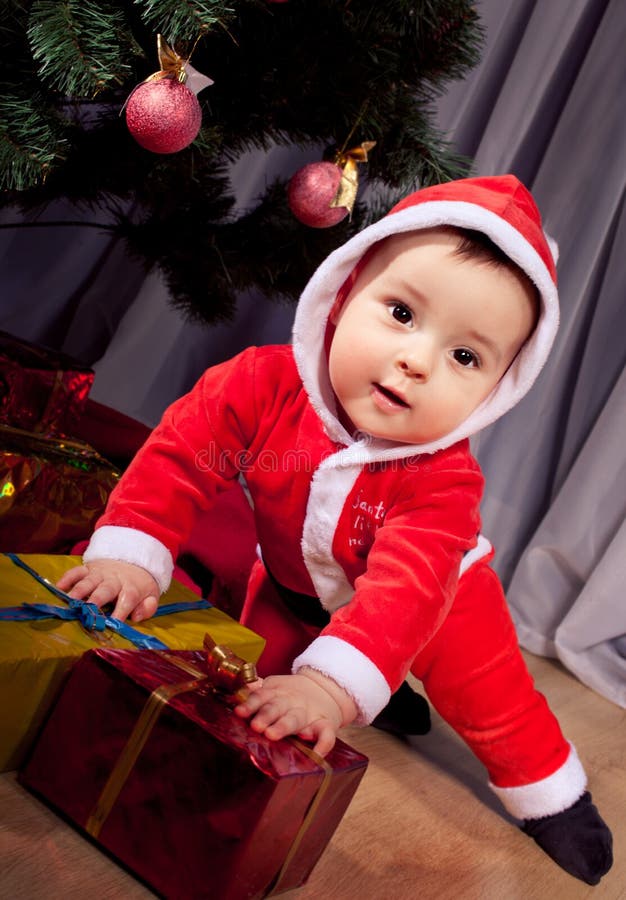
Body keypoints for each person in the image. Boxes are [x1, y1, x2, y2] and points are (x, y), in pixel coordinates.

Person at [58, 175, 612, 885]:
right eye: (403, 313)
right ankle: (379, 691)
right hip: (296, 581)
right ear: (345, 293)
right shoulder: (263, 383)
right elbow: (181, 458)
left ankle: (553, 792)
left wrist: (332, 685)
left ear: (497, 393)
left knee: (491, 695)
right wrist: (135, 553)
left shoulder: (444, 483)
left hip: (432, 597)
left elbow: (398, 601)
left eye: (465, 357)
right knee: (258, 696)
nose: (415, 360)